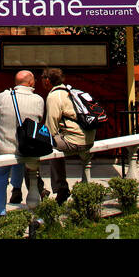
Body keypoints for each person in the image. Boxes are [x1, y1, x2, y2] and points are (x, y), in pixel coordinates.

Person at [0, 70, 45, 217]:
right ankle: (17, 189)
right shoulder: (38, 100)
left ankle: (0, 211)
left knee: (0, 176)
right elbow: (40, 118)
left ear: (16, 82)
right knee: (22, 161)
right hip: (27, 148)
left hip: (4, 147)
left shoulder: (3, 97)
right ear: (31, 82)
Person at [42, 66, 95, 203]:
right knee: (55, 143)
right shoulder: (70, 91)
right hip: (89, 138)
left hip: (75, 141)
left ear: (47, 80)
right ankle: (61, 187)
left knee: (50, 145)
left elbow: (51, 125)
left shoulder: (54, 96)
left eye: (42, 78)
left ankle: (61, 188)